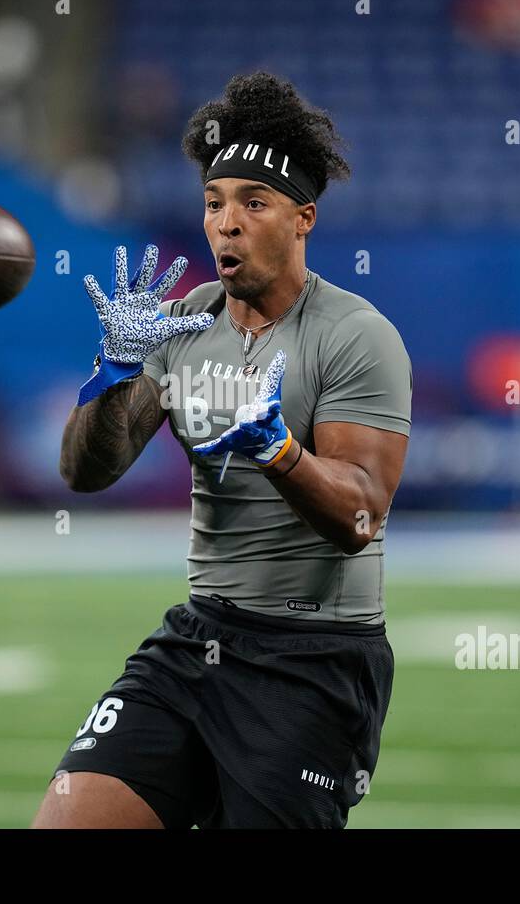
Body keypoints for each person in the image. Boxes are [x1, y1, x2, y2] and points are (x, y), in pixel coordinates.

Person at [32, 72, 412, 828]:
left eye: (253, 203)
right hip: (198, 638)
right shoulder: (183, 327)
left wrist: (278, 451)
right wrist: (112, 372)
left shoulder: (353, 335)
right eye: (214, 204)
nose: (226, 224)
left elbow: (362, 517)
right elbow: (84, 472)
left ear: (302, 218)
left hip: (312, 661)